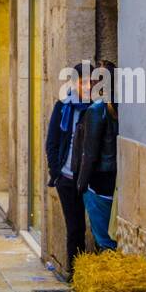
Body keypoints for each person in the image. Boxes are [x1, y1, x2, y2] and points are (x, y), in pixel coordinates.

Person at [46, 60, 92, 275]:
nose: (87, 87)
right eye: (82, 82)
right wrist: (55, 172)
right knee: (75, 229)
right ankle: (75, 276)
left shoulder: (97, 108)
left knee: (98, 232)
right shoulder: (63, 106)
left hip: (91, 179)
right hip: (66, 177)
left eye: (91, 82)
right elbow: (52, 142)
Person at [75, 60, 118, 252]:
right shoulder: (120, 106)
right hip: (114, 178)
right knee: (112, 234)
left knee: (103, 238)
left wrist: (81, 183)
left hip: (98, 181)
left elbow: (90, 153)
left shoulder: (96, 109)